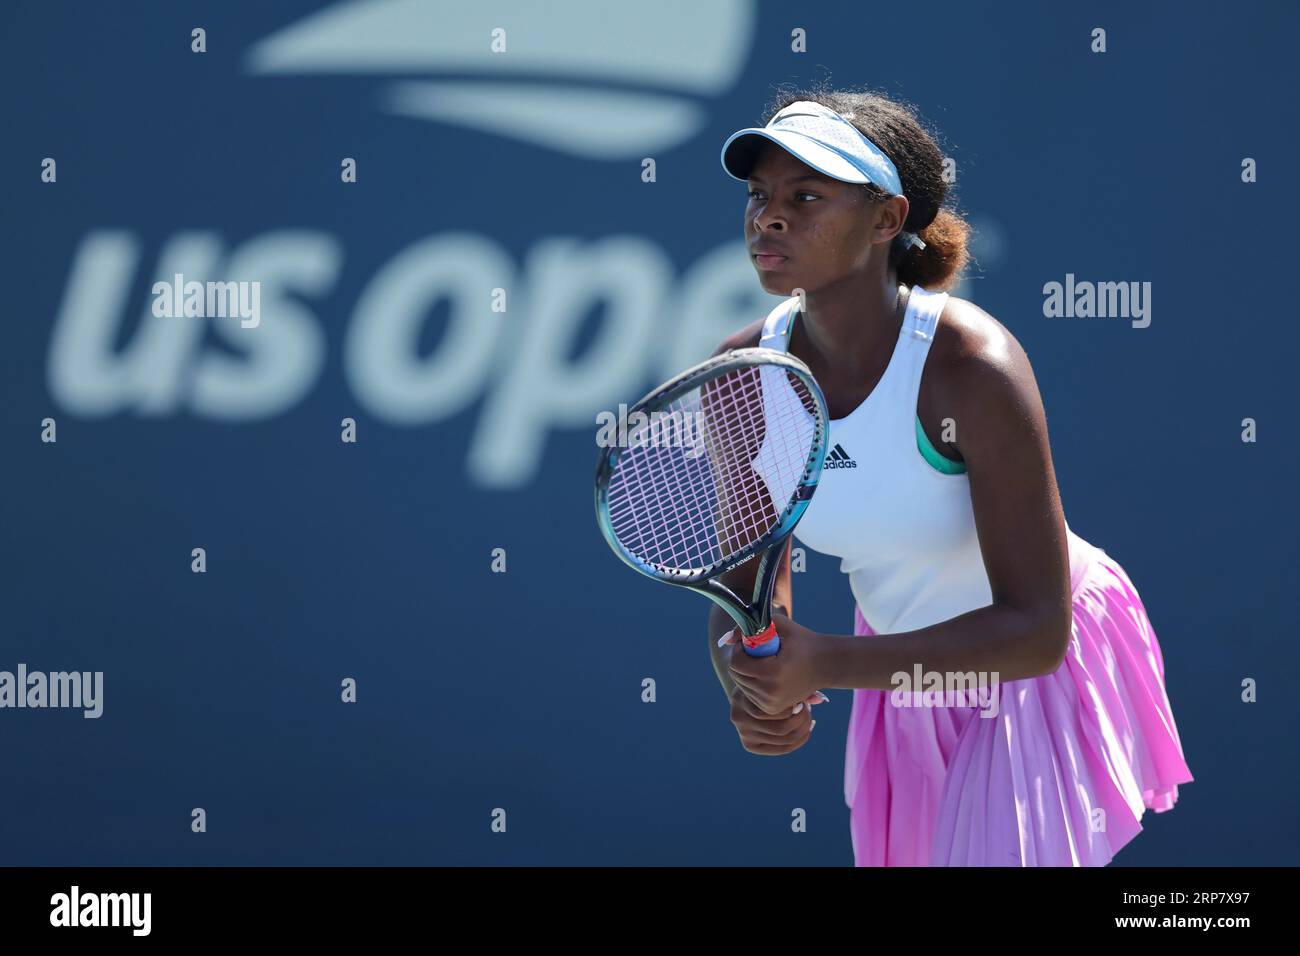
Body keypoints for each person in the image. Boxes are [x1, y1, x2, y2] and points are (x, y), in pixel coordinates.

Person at [706, 88, 1193, 866]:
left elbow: (1036, 628)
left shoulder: (969, 367)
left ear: (887, 220)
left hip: (1039, 658)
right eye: (761, 196)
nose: (769, 217)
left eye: (806, 196)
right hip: (900, 672)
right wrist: (753, 687)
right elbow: (753, 594)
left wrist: (823, 662)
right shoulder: (740, 381)